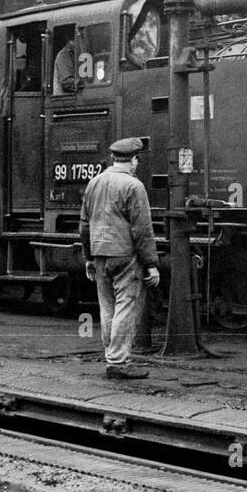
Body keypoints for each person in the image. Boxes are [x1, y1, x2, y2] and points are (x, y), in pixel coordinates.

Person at [79, 137, 162, 379]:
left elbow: (84, 225)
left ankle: (111, 355)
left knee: (107, 308)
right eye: (137, 160)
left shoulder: (94, 183)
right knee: (126, 307)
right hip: (125, 255)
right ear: (134, 161)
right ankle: (118, 362)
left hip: (100, 254)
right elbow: (142, 229)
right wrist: (151, 264)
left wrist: (88, 257)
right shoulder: (134, 186)